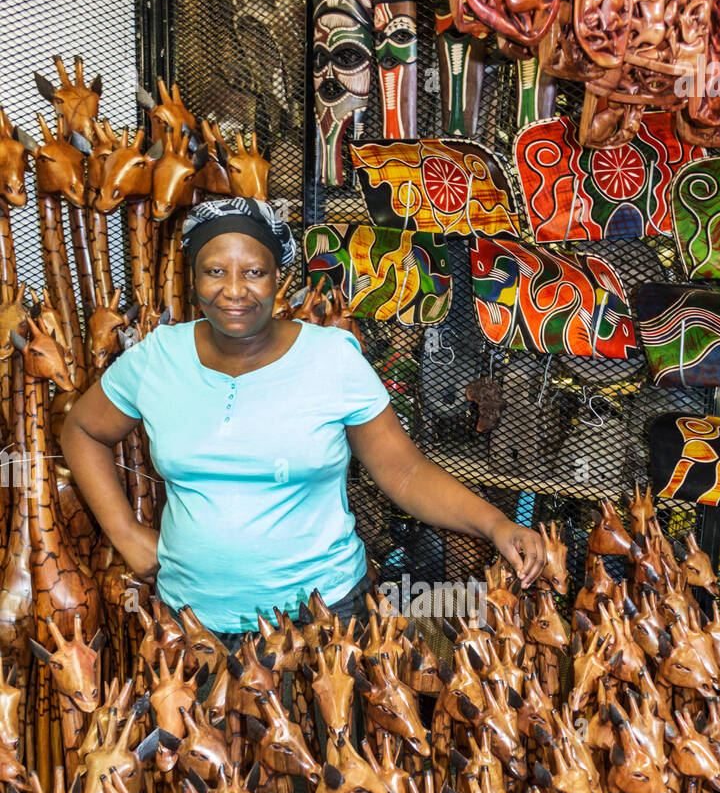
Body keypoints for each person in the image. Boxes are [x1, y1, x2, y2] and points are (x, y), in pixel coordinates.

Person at [62, 196, 546, 639]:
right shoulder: (158, 358)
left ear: (279, 278)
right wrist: (124, 533)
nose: (233, 290)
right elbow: (82, 429)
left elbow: (404, 471)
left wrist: (496, 525)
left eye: (253, 272)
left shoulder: (332, 358)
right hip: (192, 623)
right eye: (215, 271)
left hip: (320, 619)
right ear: (195, 277)